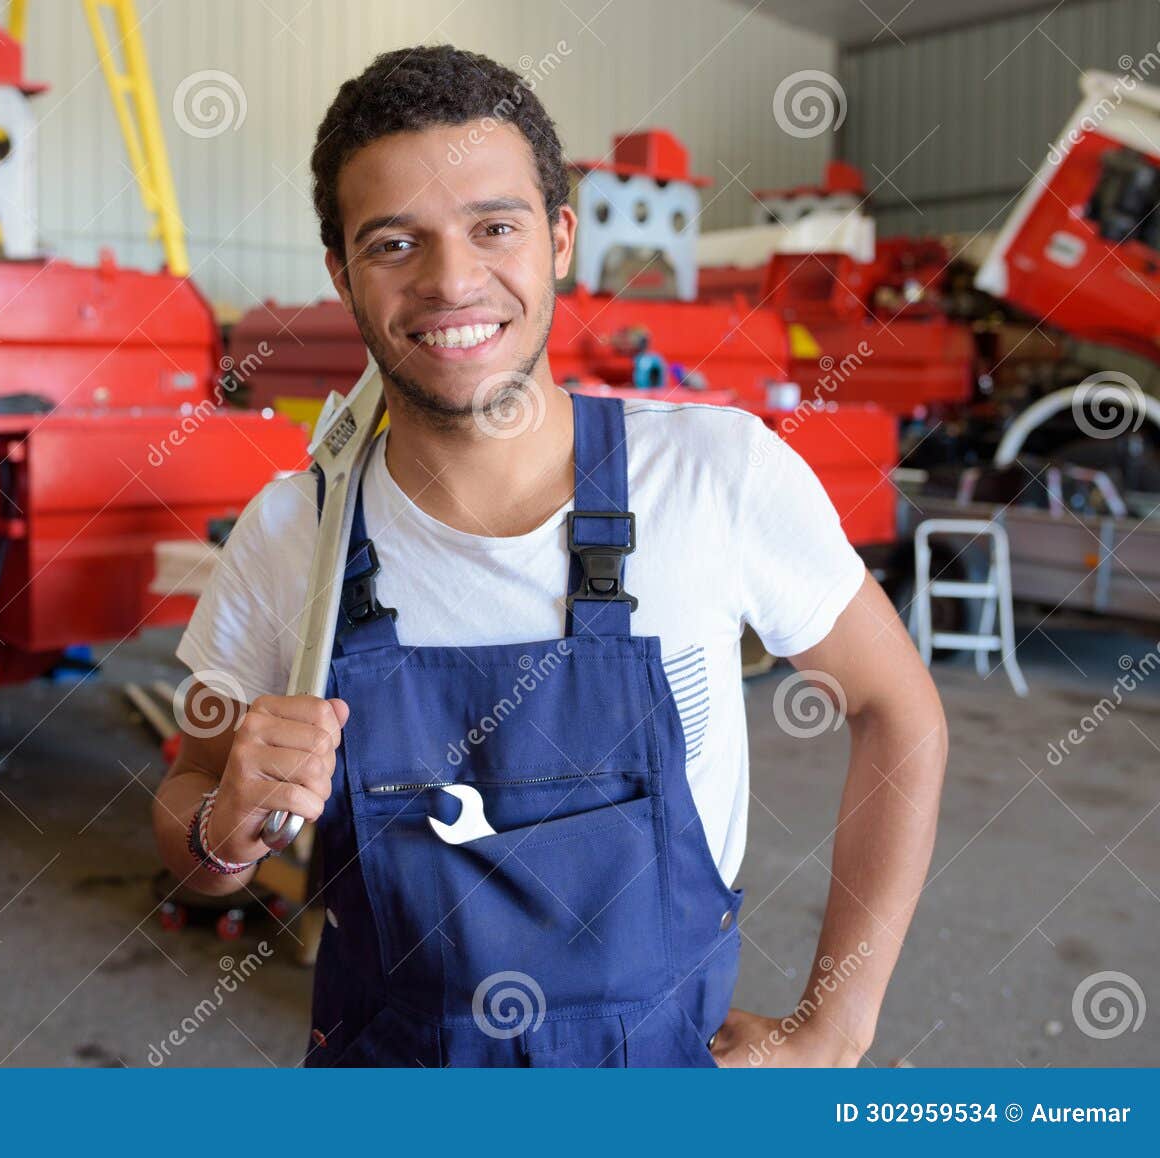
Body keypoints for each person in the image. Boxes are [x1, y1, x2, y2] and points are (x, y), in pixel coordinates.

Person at [154, 44, 947, 1067]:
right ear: (340, 271)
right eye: (394, 243)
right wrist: (223, 833)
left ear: (559, 238)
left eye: (493, 227)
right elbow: (186, 816)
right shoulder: (289, 534)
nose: (451, 281)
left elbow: (900, 712)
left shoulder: (715, 475)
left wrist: (835, 1028)